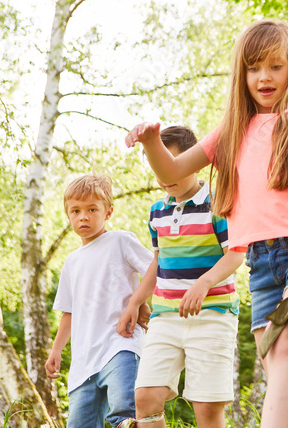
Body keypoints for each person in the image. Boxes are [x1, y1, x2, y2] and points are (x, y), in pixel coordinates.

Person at [124, 20, 288, 428]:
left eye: (275, 67)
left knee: (284, 349)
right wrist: (151, 141)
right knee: (280, 364)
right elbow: (172, 169)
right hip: (261, 263)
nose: (263, 77)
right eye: (253, 68)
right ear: (241, 74)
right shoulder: (233, 131)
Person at [117, 125, 244, 428]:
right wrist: (136, 302)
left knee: (207, 408)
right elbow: (159, 262)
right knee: (145, 397)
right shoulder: (157, 212)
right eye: (157, 168)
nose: (165, 177)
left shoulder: (219, 204)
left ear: (193, 161)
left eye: (171, 165)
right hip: (165, 318)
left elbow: (236, 254)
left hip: (213, 315)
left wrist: (204, 282)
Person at [46, 174, 154, 428]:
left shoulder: (120, 240)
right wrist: (56, 349)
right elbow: (68, 313)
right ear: (68, 215)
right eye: (76, 211)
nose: (83, 216)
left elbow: (156, 269)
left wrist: (137, 302)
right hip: (84, 361)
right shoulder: (71, 262)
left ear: (108, 212)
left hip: (120, 345)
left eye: (92, 209)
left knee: (124, 414)